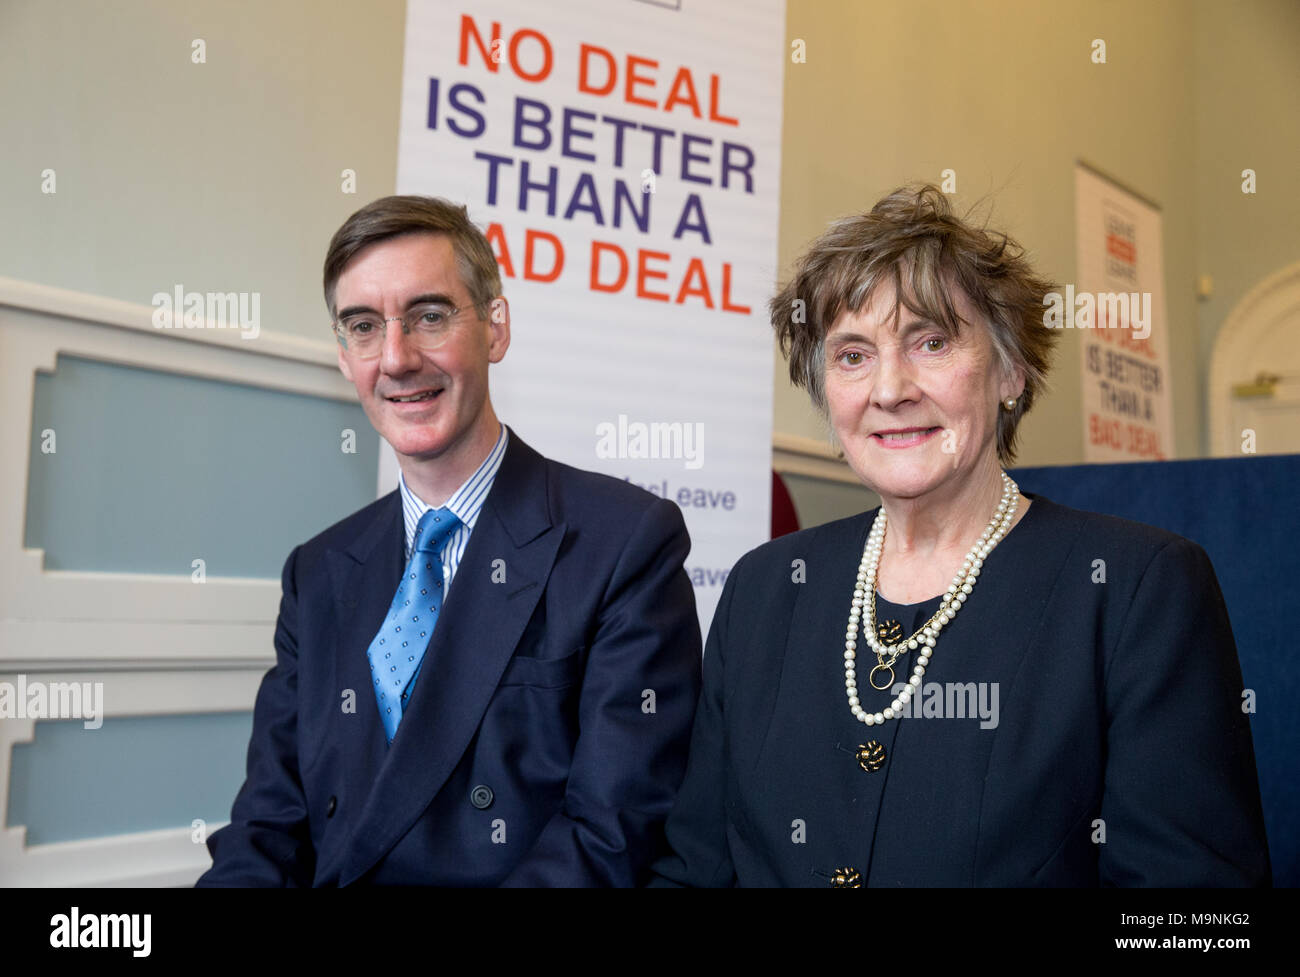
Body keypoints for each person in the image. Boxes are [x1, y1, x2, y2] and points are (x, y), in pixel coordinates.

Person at [650, 185, 1271, 887]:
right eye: (852, 354)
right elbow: (694, 870)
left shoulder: (1138, 588)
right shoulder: (762, 589)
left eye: (932, 341)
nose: (890, 388)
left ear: (1010, 370)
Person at [198, 196, 702, 887]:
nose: (398, 358)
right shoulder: (317, 572)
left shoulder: (624, 544)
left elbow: (609, 839)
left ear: (495, 328)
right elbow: (267, 826)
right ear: (344, 357)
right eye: (364, 327)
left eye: (429, 316)